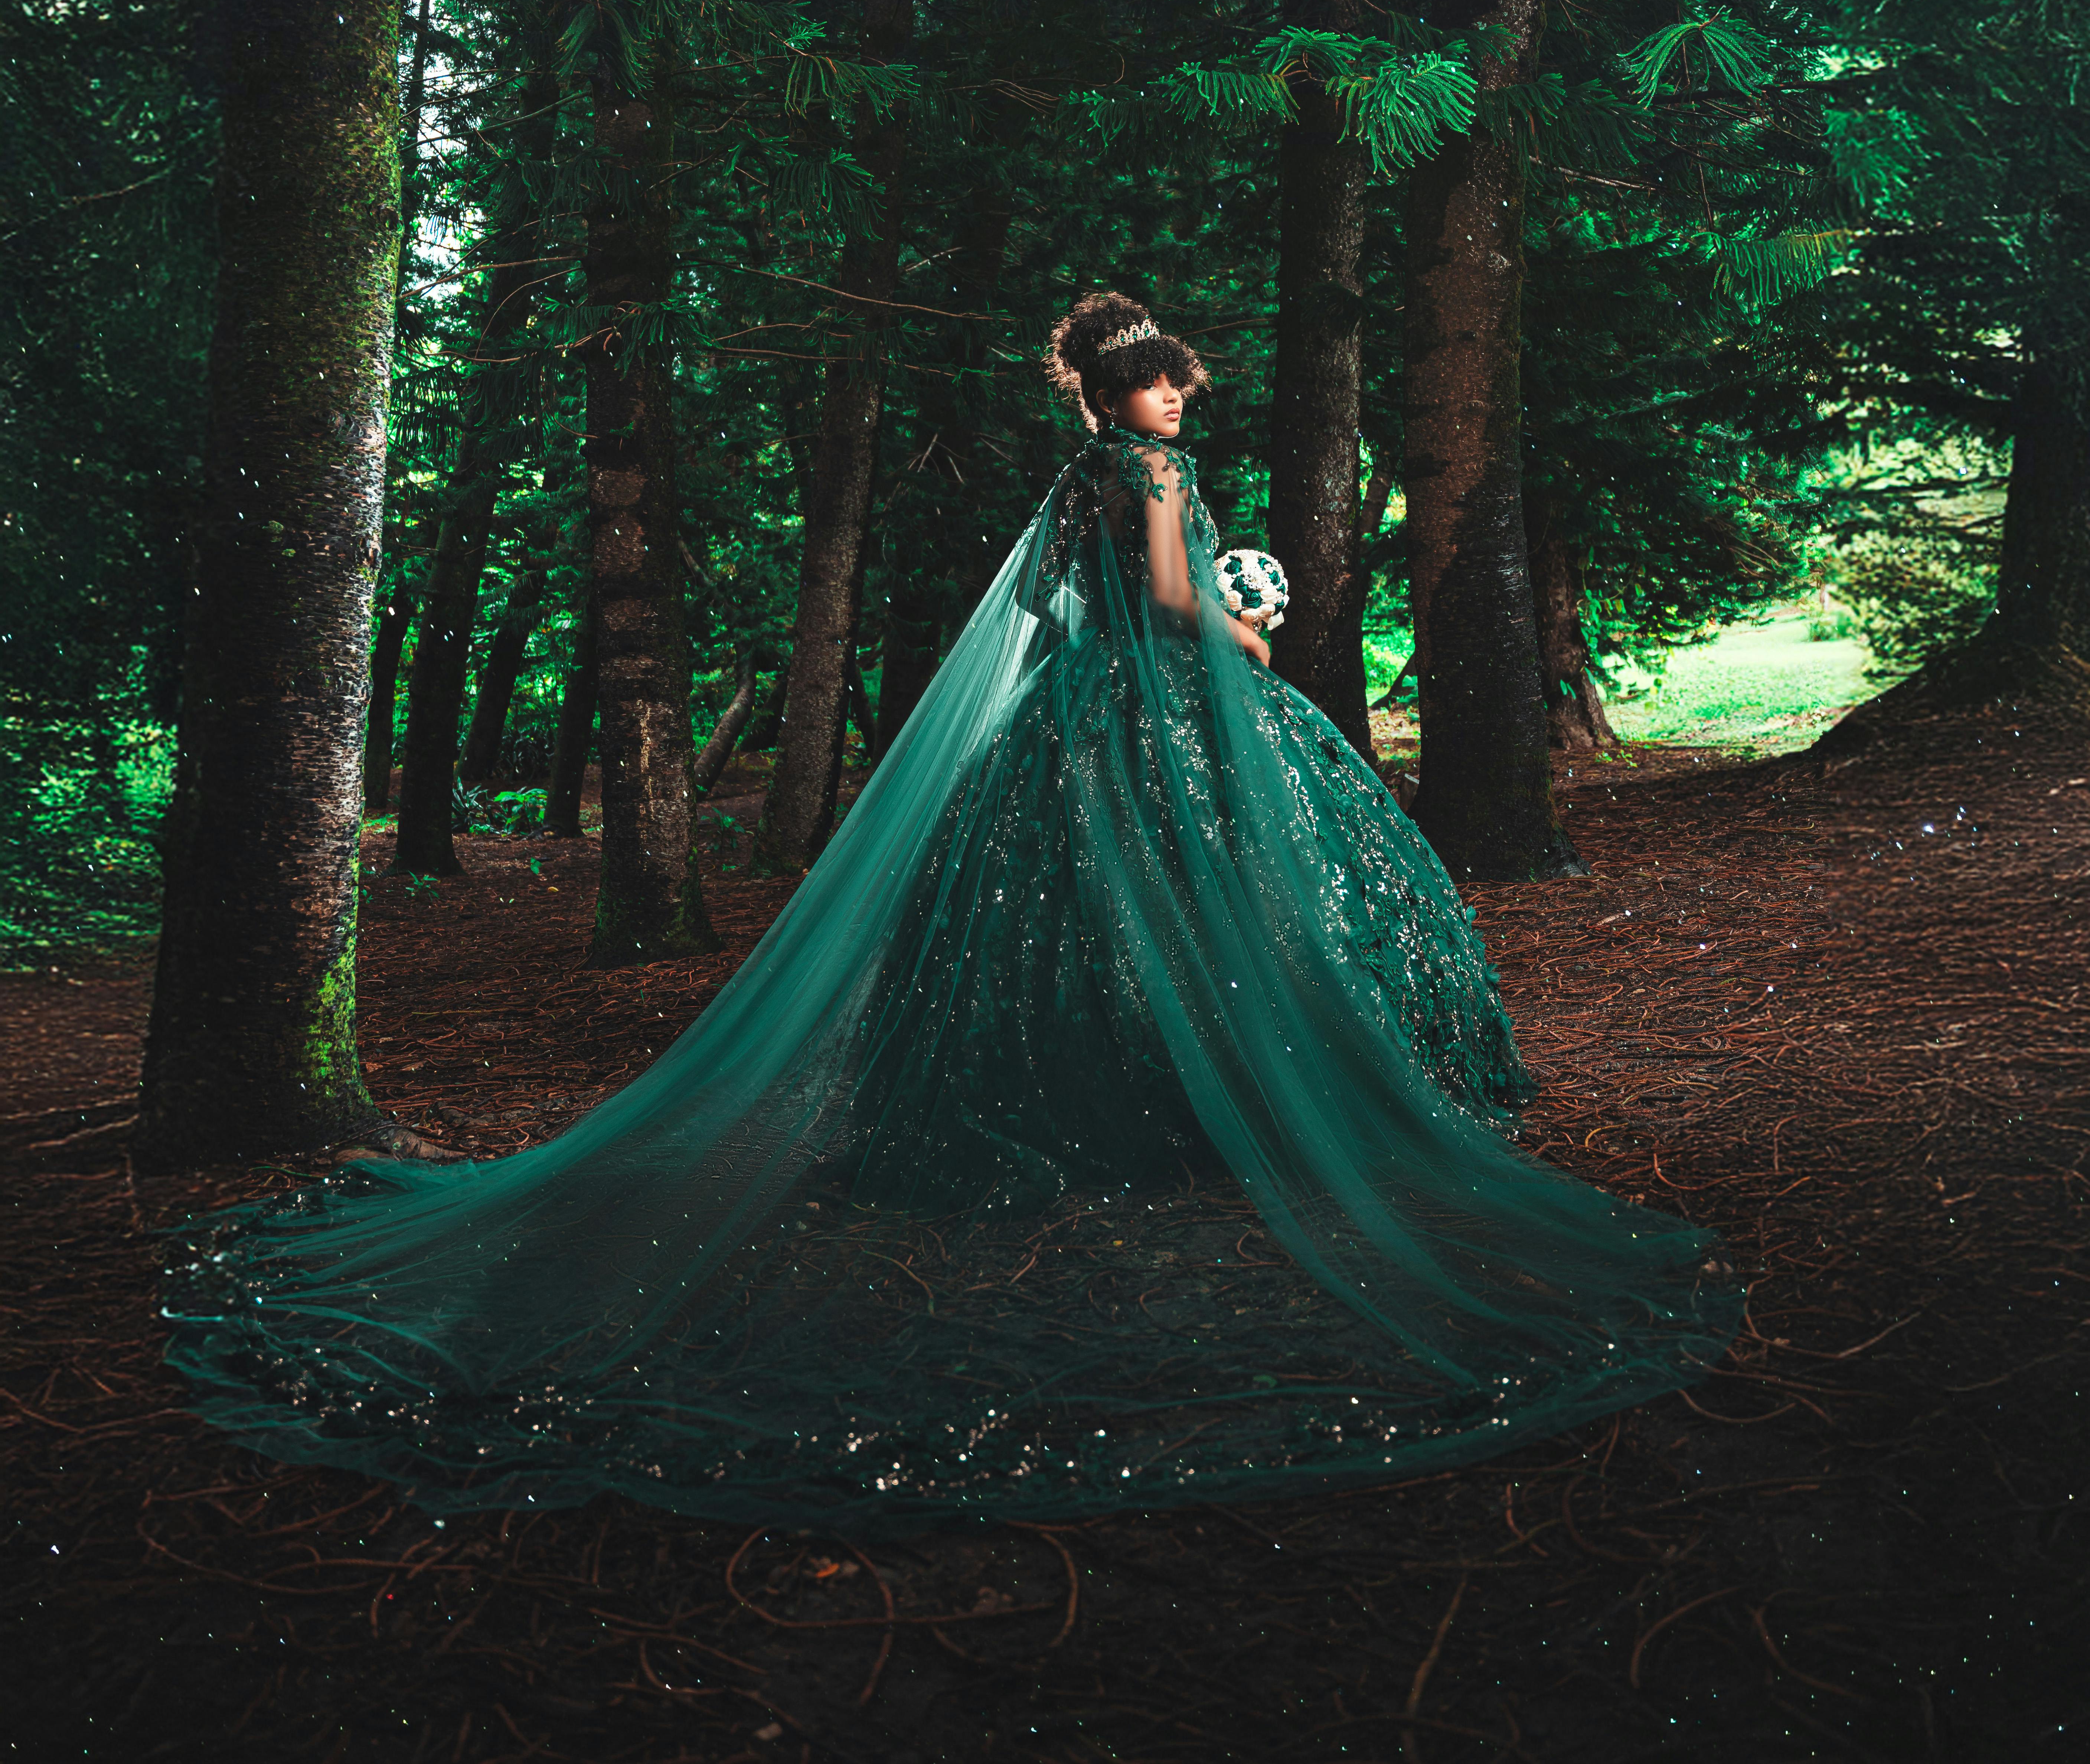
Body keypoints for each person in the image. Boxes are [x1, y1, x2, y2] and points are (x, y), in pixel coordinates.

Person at [164, 290, 1737, 1523]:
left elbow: (1062, 606)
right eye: (1151, 378)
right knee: (1228, 892)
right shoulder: (1156, 473)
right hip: (1169, 705)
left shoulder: (1074, 479)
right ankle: (1232, 1095)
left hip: (1070, 713)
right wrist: (1249, 645)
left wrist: (1140, 630)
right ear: (1109, 391)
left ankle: (1109, 1092)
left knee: (1072, 908)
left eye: (1176, 376)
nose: (1174, 394)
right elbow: (1182, 608)